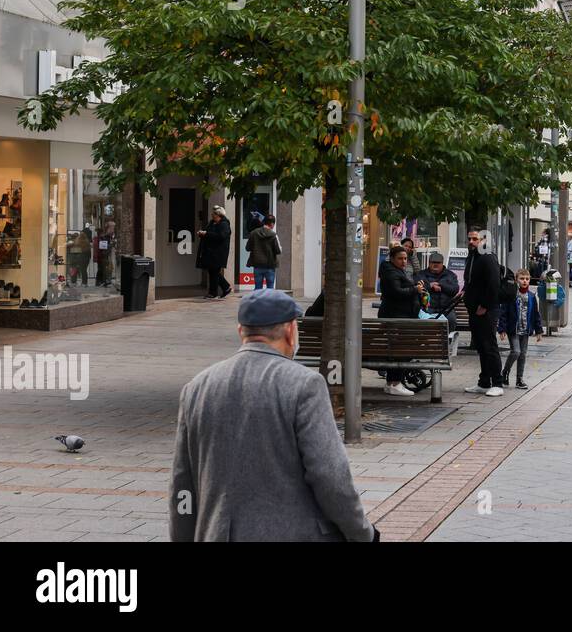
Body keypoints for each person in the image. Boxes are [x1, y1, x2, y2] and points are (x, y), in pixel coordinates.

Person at [169, 289, 378, 542]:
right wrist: (363, 533)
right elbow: (330, 476)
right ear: (291, 331)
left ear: (241, 331)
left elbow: (183, 485)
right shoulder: (305, 384)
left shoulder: (197, 387)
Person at [462, 228, 504, 397]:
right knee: (481, 346)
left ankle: (498, 383)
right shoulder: (473, 256)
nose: (471, 242)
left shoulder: (487, 257)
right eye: (469, 238)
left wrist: (485, 305)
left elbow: (494, 284)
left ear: (483, 240)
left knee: (489, 346)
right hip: (475, 308)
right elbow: (472, 280)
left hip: (486, 309)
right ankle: (484, 382)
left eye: (475, 239)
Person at [377, 245, 420, 396]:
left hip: (399, 315)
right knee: (399, 349)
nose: (403, 262)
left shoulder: (394, 270)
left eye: (405, 259)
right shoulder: (391, 272)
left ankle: (392, 382)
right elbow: (397, 292)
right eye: (400, 259)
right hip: (396, 316)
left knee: (396, 349)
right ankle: (394, 382)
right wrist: (415, 290)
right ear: (392, 259)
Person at [498, 269, 543, 390]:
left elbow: (535, 314)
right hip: (514, 329)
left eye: (527, 279)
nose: (524, 281)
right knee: (516, 352)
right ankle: (505, 372)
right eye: (522, 279)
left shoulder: (532, 296)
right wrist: (501, 329)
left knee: (522, 355)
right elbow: (503, 312)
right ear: (517, 280)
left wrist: (538, 330)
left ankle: (519, 379)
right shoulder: (512, 294)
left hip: (526, 330)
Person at [196, 207, 232, 299]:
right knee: (212, 271)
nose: (212, 216)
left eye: (214, 215)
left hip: (219, 252)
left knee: (215, 272)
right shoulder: (212, 223)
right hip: (210, 251)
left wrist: (206, 234)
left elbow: (221, 236)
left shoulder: (224, 224)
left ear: (219, 215)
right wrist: (203, 234)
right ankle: (224, 288)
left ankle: (215, 292)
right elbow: (209, 233)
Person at [245, 215, 281, 291]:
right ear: (272, 224)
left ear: (264, 222)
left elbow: (247, 248)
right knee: (270, 289)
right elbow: (278, 251)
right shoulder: (274, 235)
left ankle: (258, 302)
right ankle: (269, 302)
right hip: (270, 265)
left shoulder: (253, 233)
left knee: (258, 288)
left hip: (257, 265)